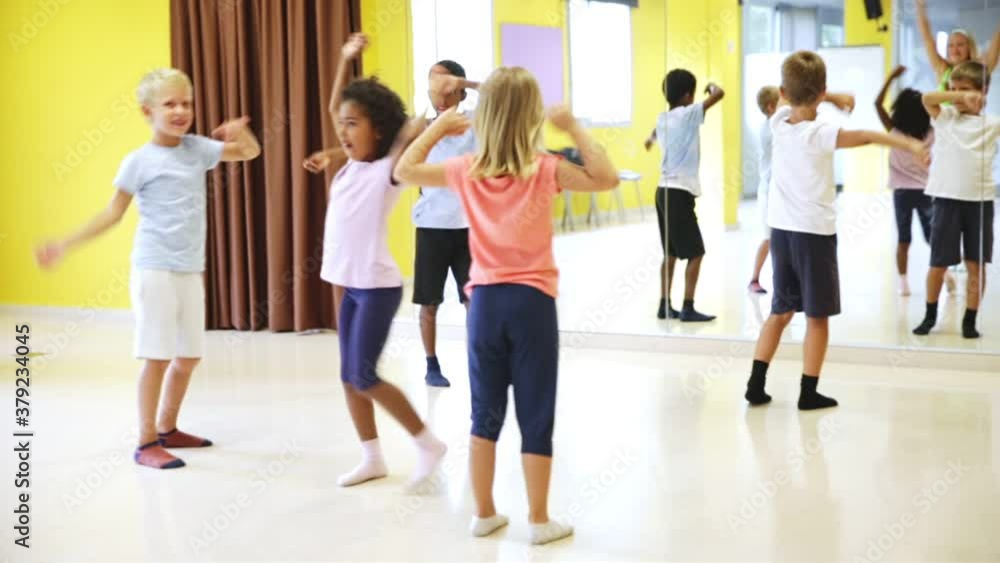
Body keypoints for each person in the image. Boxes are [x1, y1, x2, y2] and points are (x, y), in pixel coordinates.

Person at [394, 67, 619, 544]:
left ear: (485, 117)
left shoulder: (465, 169)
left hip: (485, 307)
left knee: (485, 413)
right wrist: (575, 127)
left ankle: (484, 513)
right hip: (533, 304)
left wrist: (439, 126)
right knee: (536, 413)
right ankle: (538, 520)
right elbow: (608, 179)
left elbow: (404, 171)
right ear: (532, 117)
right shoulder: (545, 168)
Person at [35, 68, 261, 469]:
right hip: (154, 268)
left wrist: (239, 132)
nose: (180, 110)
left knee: (188, 356)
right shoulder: (138, 162)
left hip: (190, 268)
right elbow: (112, 213)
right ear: (147, 111)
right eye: (169, 104)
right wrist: (65, 244)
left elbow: (249, 153)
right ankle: (145, 442)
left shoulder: (197, 149)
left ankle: (169, 428)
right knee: (156, 357)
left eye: (186, 103)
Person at [744, 51, 929, 410]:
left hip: (781, 233)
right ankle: (808, 392)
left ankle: (755, 384)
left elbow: (793, 95)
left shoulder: (778, 122)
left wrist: (829, 96)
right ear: (821, 90)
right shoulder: (821, 132)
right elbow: (864, 135)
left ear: (784, 91)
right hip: (814, 235)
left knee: (779, 313)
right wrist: (908, 143)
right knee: (817, 318)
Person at [321, 33, 446, 489]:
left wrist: (432, 125)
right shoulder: (351, 165)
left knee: (363, 373)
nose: (342, 131)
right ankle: (372, 457)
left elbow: (415, 130)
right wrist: (343, 58)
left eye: (353, 124)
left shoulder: (389, 168)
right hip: (349, 284)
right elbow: (334, 107)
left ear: (378, 129)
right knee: (348, 377)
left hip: (376, 286)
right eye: (342, 124)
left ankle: (427, 442)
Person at [913, 61, 999, 339]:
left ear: (983, 91)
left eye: (967, 90)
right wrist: (958, 96)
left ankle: (970, 320)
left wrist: (975, 99)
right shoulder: (945, 116)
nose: (960, 96)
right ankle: (929, 315)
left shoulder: (992, 123)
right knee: (938, 263)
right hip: (946, 200)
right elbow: (927, 98)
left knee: (976, 264)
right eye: (954, 89)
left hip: (980, 201)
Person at [411, 60, 480, 387]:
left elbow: (500, 94)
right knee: (429, 302)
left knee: (473, 301)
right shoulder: (422, 126)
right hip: (431, 227)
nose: (439, 94)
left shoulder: (476, 124)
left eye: (446, 87)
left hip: (467, 227)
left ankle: (478, 359)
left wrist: (464, 83)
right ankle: (431, 364)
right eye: (433, 86)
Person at [643, 69, 725, 321]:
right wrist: (710, 84)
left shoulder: (662, 117)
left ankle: (664, 305)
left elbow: (655, 132)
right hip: (679, 192)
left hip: (662, 191)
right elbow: (718, 94)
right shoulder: (690, 113)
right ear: (688, 95)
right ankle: (687, 307)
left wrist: (650, 139)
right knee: (696, 252)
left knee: (670, 252)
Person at [916, 0, 999, 91]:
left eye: (960, 45)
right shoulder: (943, 68)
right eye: (950, 45)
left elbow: (997, 41)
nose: (955, 50)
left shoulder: (979, 69)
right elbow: (927, 38)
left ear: (969, 48)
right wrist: (920, 6)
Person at [749, 85, 779, 294]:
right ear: (770, 107)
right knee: (770, 238)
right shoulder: (771, 128)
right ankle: (754, 279)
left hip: (777, 191)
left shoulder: (776, 125)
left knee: (779, 239)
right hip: (769, 192)